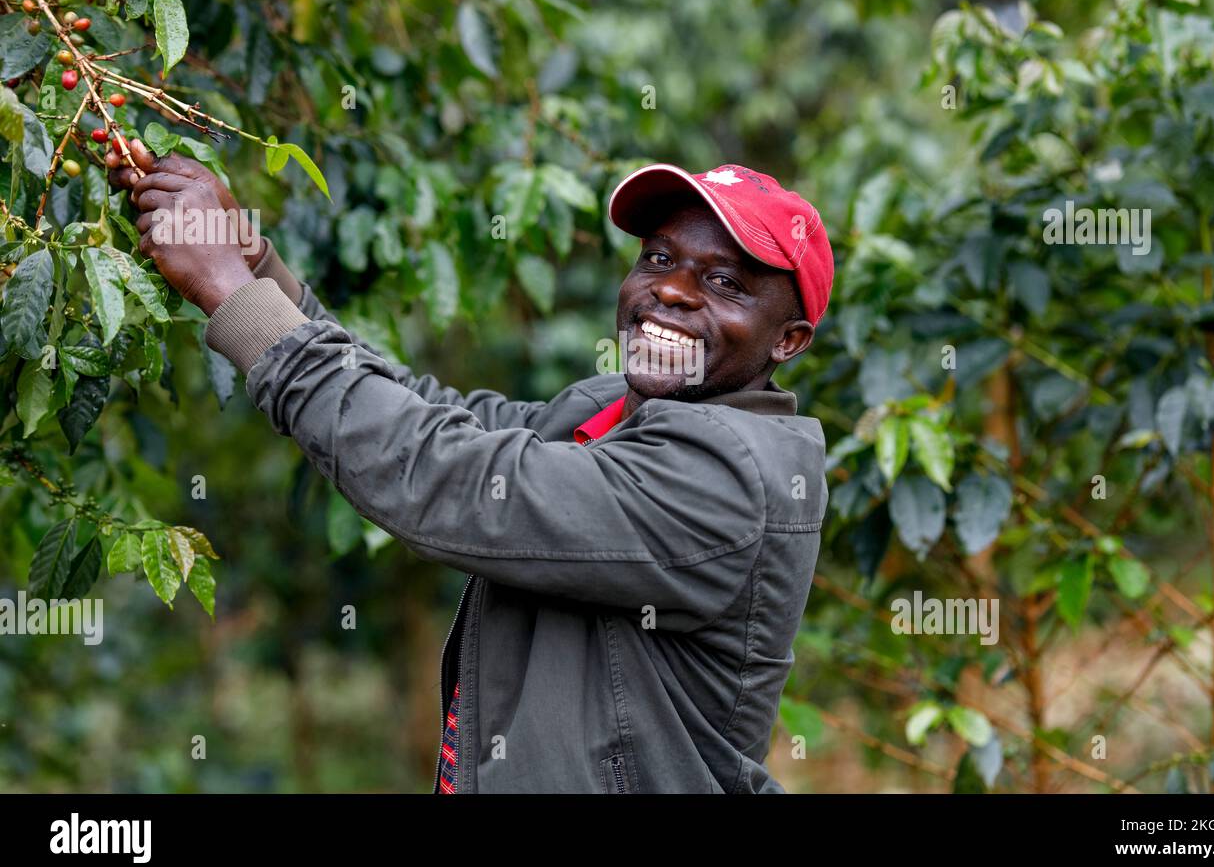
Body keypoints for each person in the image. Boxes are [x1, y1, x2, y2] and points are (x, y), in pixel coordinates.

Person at [108, 143, 835, 793]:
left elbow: (447, 479)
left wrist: (233, 296)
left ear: (789, 341)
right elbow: (427, 414)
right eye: (659, 258)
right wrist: (256, 265)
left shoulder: (730, 479)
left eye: (726, 284)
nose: (672, 291)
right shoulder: (614, 408)